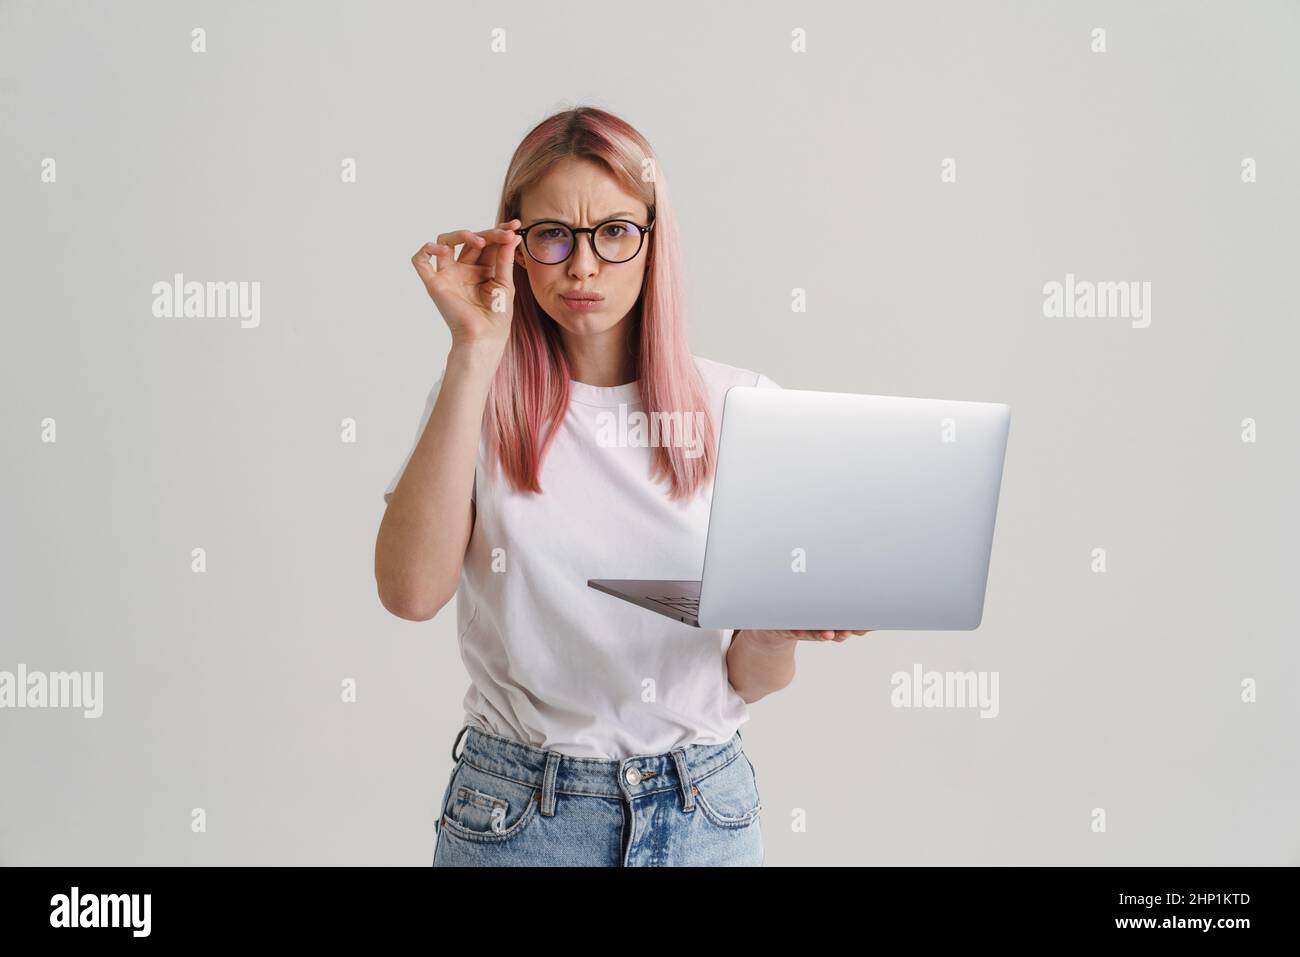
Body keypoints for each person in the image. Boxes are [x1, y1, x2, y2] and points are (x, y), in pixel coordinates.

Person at [375, 106, 867, 866]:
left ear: (652, 237)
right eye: (552, 235)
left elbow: (749, 678)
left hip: (703, 809)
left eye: (613, 231)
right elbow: (410, 593)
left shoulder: (741, 407)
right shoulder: (475, 398)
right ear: (515, 243)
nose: (582, 266)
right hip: (518, 814)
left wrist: (775, 629)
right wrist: (475, 348)